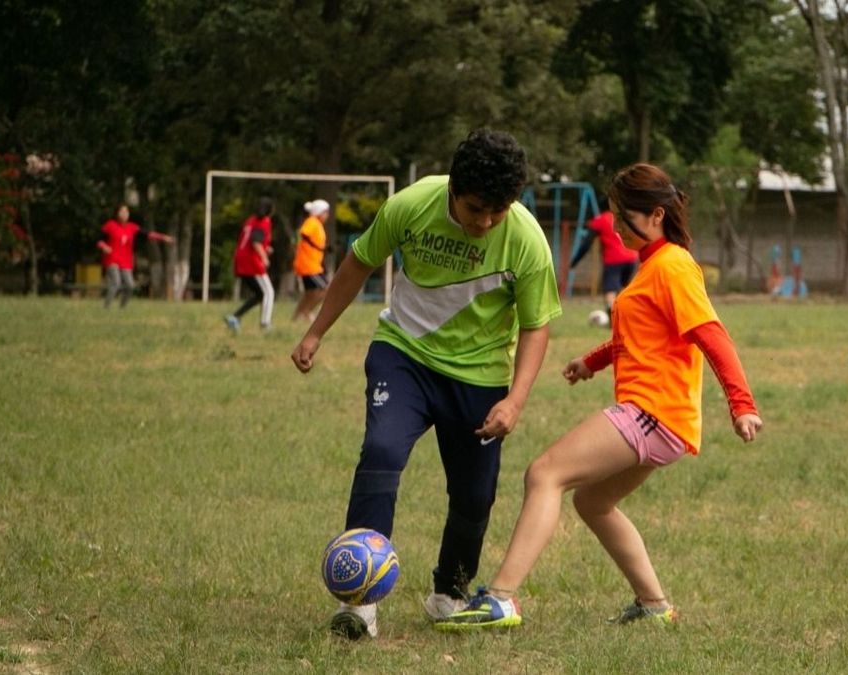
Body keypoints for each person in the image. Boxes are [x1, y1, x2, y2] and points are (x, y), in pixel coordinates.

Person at [435, 163, 762, 632]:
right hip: (657, 415)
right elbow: (645, 335)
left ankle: (502, 598)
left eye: (621, 215)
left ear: (654, 215)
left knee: (545, 473)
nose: (613, 225)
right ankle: (654, 606)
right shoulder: (654, 265)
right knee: (592, 502)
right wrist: (593, 361)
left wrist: (742, 404)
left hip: (653, 411)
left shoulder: (673, 266)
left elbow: (712, 335)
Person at [290, 129, 561, 639]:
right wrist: (316, 331)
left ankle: (449, 592)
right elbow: (359, 262)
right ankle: (360, 601)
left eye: (497, 211)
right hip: (404, 355)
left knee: (474, 496)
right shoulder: (410, 206)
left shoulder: (525, 239)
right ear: (452, 190)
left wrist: (515, 400)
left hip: (480, 375)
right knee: (382, 450)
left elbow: (536, 325)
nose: (485, 222)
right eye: (476, 208)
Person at [569, 197, 639, 315]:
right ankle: (626, 314)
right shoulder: (624, 217)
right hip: (632, 257)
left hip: (614, 259)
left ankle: (614, 316)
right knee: (624, 289)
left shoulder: (601, 220)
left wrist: (575, 261)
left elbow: (586, 243)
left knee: (610, 290)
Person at [97, 205, 175, 308]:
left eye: (126, 212)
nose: (124, 214)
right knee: (116, 283)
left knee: (130, 286)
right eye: (122, 211)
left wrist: (163, 238)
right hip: (112, 259)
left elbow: (148, 234)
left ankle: (122, 308)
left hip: (126, 261)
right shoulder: (110, 225)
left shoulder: (132, 227)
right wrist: (104, 246)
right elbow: (99, 240)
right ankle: (106, 307)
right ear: (117, 213)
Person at [224, 198, 275, 332]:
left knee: (260, 294)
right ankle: (265, 324)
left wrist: (266, 248)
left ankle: (235, 317)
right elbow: (256, 242)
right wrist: (264, 257)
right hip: (252, 261)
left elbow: (248, 239)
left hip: (240, 258)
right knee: (269, 292)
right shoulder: (264, 221)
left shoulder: (250, 220)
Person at [291, 199, 330, 322]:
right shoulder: (312, 221)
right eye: (326, 212)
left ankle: (297, 317)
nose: (327, 215)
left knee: (309, 292)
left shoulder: (316, 224)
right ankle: (307, 312)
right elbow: (303, 234)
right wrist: (316, 246)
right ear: (320, 212)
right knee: (325, 289)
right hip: (309, 264)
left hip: (312, 263)